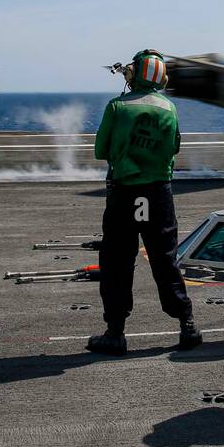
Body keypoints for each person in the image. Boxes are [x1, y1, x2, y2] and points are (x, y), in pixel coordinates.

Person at [87, 49, 202, 355]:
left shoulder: (117, 106)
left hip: (124, 194)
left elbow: (100, 150)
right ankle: (187, 325)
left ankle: (115, 332)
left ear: (135, 74)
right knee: (165, 260)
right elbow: (175, 146)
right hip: (158, 195)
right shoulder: (169, 108)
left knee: (116, 263)